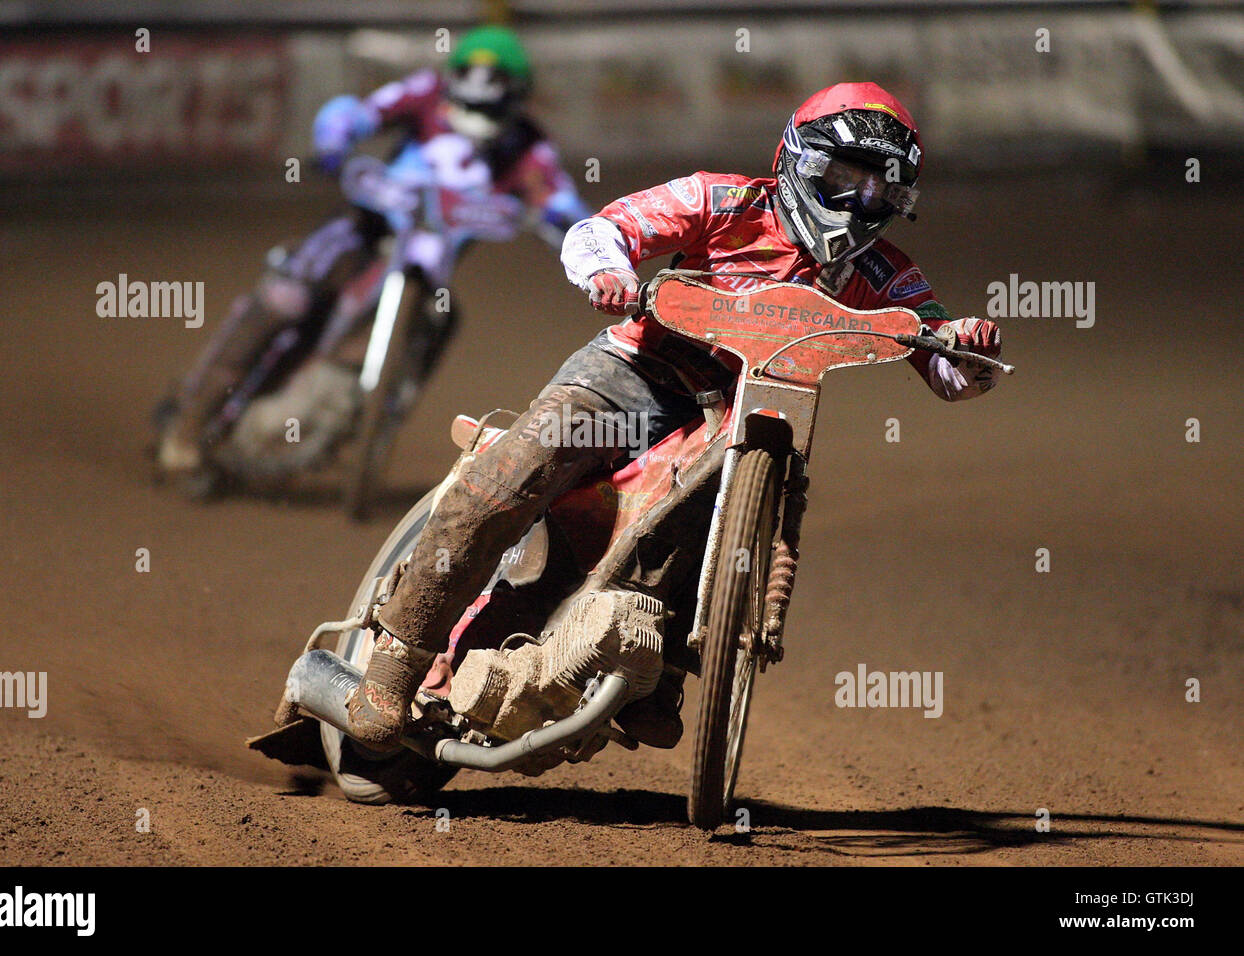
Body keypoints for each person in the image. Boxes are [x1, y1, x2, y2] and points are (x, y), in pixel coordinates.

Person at [346, 82, 1005, 752]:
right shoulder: (721, 201)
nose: (856, 203)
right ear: (798, 160)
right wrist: (608, 273)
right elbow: (603, 230)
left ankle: (663, 668)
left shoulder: (885, 273)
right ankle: (396, 661)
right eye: (841, 178)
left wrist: (969, 345)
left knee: (729, 503)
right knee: (517, 466)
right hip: (635, 375)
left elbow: (945, 362)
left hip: (748, 411)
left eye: (876, 192)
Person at [156, 25, 590, 485]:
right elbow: (358, 113)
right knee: (286, 299)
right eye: (467, 98)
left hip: (425, 267)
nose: (474, 112)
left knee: (437, 325)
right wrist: (335, 138)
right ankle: (186, 426)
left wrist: (573, 228)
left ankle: (368, 421)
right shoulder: (424, 92)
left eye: (491, 102)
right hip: (364, 230)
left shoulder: (528, 145)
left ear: (516, 98)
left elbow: (558, 197)